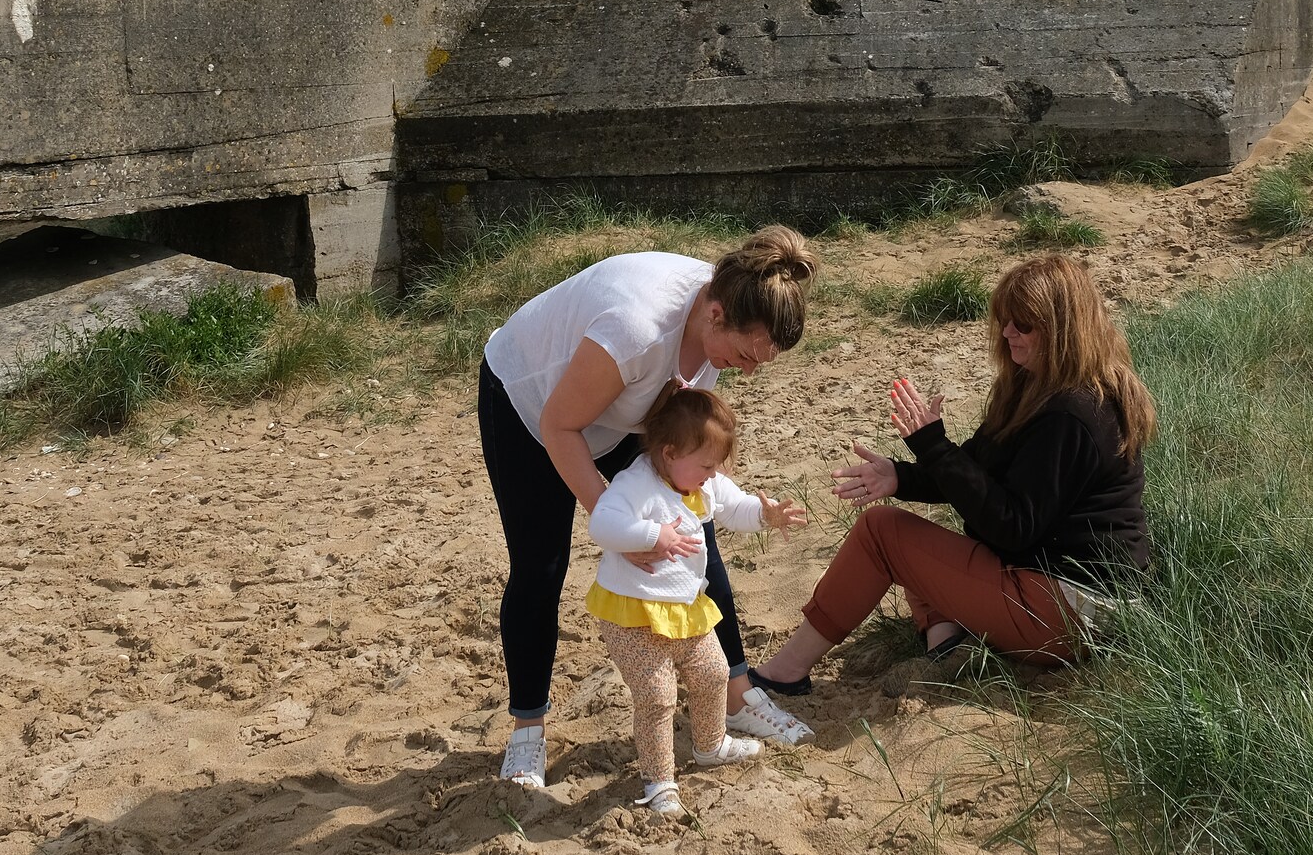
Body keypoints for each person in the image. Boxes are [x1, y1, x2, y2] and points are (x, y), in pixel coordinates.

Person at [478, 225, 821, 789]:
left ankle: (736, 697)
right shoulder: (636, 330)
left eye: (760, 361)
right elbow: (559, 426)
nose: (749, 371)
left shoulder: (723, 306)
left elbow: (679, 421)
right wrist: (619, 528)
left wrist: (707, 481)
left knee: (697, 536)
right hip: (531, 404)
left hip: (620, 407)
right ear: (715, 314)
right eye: (744, 355)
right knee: (541, 567)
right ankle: (527, 734)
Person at [746, 254, 1153, 696]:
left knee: (882, 532)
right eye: (1004, 318)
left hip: (1074, 610)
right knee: (925, 542)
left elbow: (1012, 525)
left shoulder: (1071, 415)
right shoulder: (1042, 390)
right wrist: (900, 477)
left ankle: (786, 671)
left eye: (1023, 323)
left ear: (1061, 331)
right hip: (1062, 594)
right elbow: (973, 472)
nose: (1007, 332)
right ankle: (948, 645)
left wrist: (933, 445)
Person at [586, 385, 810, 815]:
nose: (711, 474)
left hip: (686, 609)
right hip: (634, 615)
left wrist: (765, 515)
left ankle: (710, 746)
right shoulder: (636, 484)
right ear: (669, 453)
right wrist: (653, 535)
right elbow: (603, 524)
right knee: (657, 695)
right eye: (706, 465)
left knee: (714, 673)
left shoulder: (702, 482)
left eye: (715, 467)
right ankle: (659, 782)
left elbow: (734, 506)